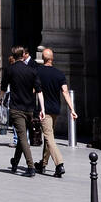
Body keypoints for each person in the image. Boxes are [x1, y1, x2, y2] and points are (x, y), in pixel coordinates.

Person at [0, 45, 44, 176]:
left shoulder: (10, 70)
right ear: (23, 55)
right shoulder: (31, 71)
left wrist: (0, 98)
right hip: (30, 108)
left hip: (16, 108)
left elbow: (3, 86)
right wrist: (43, 109)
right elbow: (39, 91)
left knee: (23, 138)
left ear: (14, 55)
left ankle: (30, 167)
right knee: (22, 136)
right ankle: (15, 161)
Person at [34, 47, 77, 177]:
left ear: (43, 58)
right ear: (52, 59)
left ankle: (59, 164)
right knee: (49, 136)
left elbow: (34, 90)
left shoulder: (38, 72)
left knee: (49, 138)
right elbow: (65, 92)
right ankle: (42, 164)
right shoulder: (59, 74)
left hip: (44, 110)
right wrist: (72, 109)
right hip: (55, 110)